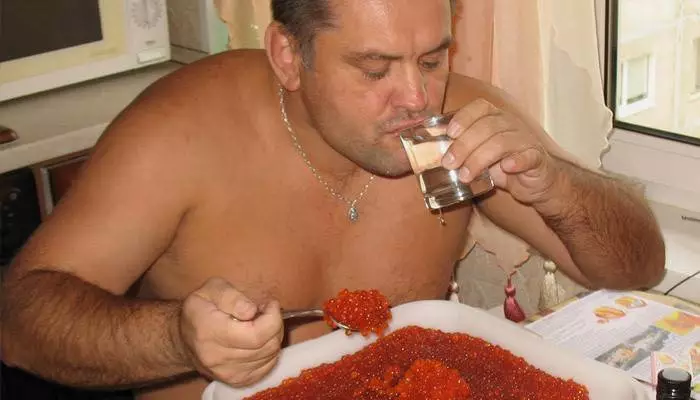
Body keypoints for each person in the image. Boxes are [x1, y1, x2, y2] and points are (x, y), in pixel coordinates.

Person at [1, 0, 665, 399]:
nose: (416, 101)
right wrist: (177, 336)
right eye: (374, 70)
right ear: (289, 56)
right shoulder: (179, 136)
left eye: (433, 61)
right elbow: (20, 321)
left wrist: (554, 183)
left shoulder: (461, 120)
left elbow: (634, 269)